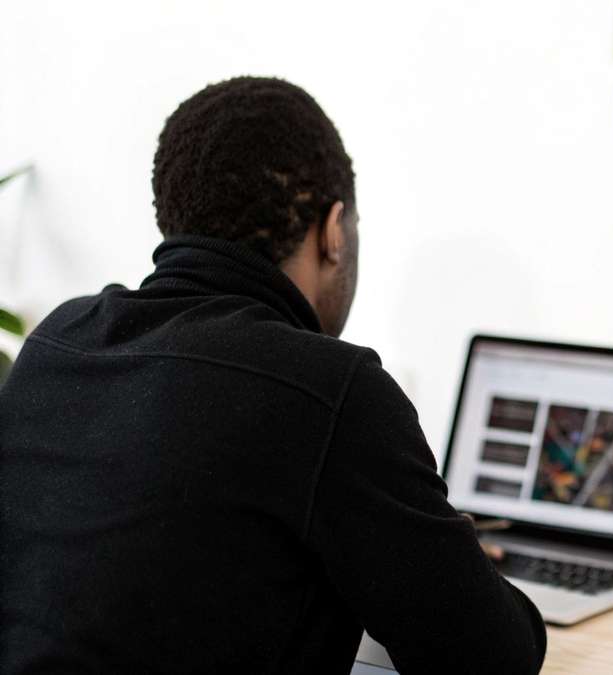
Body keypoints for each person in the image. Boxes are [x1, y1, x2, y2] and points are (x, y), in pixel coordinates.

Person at [0, 77, 546, 674]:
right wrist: (453, 556)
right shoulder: (330, 389)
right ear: (333, 231)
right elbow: (494, 659)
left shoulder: (60, 340)